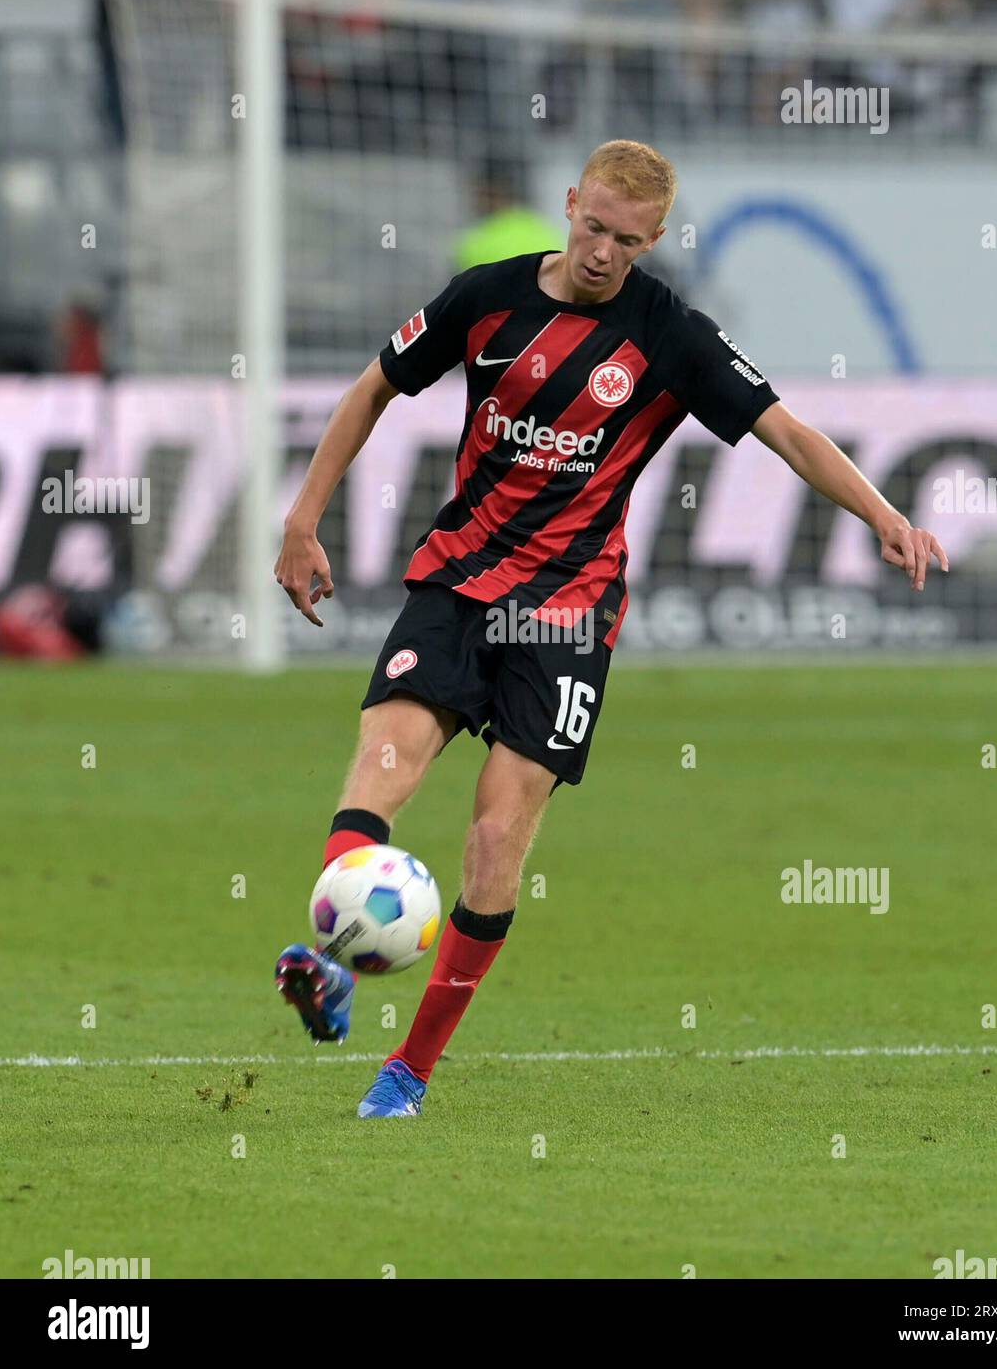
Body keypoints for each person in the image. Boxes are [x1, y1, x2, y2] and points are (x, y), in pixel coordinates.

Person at [273, 139, 948, 1118]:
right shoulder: (485, 298)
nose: (600, 251)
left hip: (568, 610)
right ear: (567, 205)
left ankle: (407, 1069)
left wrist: (882, 515)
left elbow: (788, 432)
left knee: (497, 835)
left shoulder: (668, 334)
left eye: (624, 240)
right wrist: (301, 519)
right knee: (381, 766)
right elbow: (371, 387)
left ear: (652, 239)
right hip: (457, 580)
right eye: (590, 226)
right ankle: (338, 966)